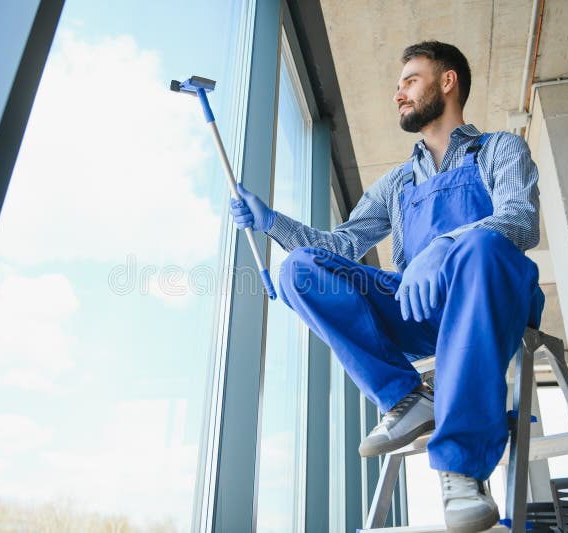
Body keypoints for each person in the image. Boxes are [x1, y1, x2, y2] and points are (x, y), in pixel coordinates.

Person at [230, 40, 544, 532]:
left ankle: (462, 469)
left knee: (481, 248)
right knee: (302, 269)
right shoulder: (398, 183)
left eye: (410, 81)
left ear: (447, 82)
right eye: (398, 86)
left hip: (490, 295)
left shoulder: (499, 149)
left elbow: (520, 221)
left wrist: (445, 245)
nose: (399, 93)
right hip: (419, 308)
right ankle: (409, 396)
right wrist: (270, 221)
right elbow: (342, 245)